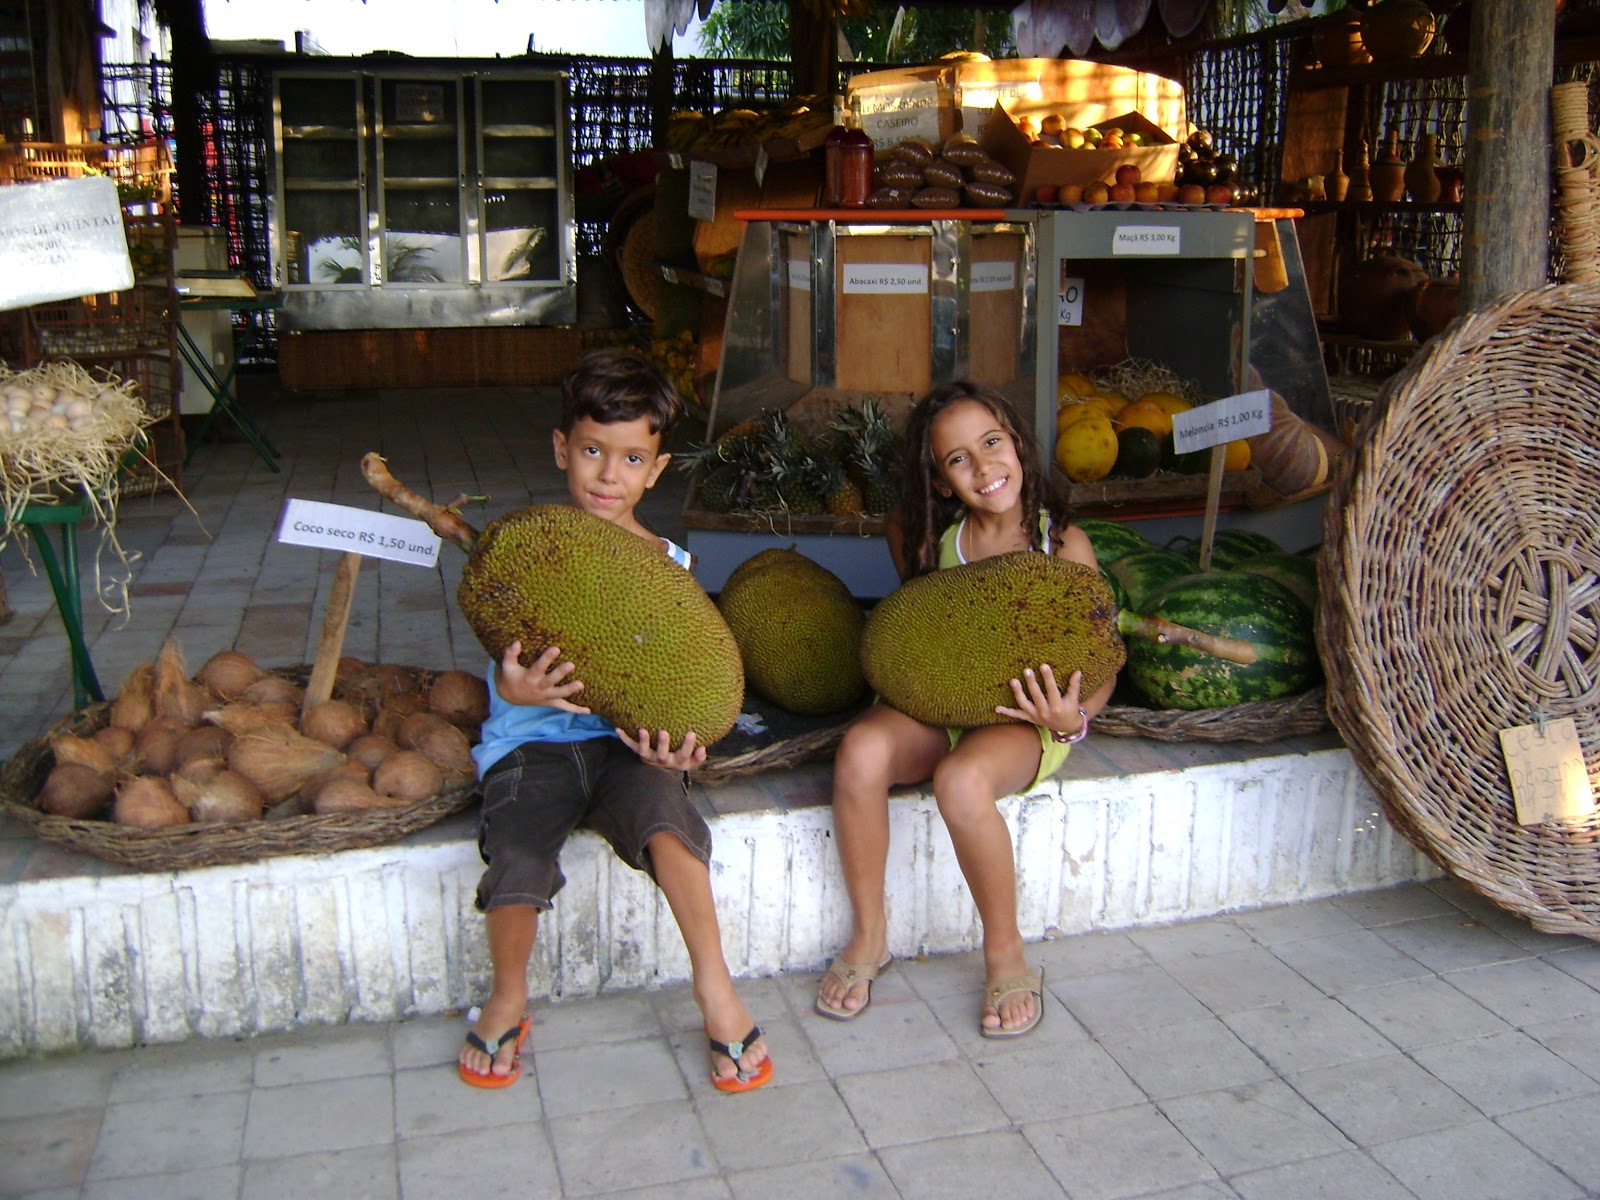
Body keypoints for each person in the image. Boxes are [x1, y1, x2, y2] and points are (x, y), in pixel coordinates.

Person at [458, 347, 773, 1093]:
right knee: (520, 850)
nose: (609, 474)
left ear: (656, 470)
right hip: (532, 743)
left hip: (626, 751)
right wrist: (518, 687)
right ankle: (508, 993)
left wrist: (678, 751)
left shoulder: (672, 568)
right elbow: (508, 668)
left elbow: (678, 692)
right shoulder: (533, 553)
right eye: (593, 451)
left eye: (632, 458)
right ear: (562, 449)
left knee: (669, 822)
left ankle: (716, 990)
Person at [815, 381, 1116, 1039]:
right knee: (861, 751)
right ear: (943, 481)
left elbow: (1103, 656)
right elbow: (924, 634)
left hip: (1026, 719)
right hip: (945, 706)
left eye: (991, 444)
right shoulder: (937, 544)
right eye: (958, 460)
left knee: (962, 779)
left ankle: (1005, 952)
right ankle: (870, 938)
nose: (983, 468)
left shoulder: (1062, 547)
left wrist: (1077, 718)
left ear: (1016, 443)